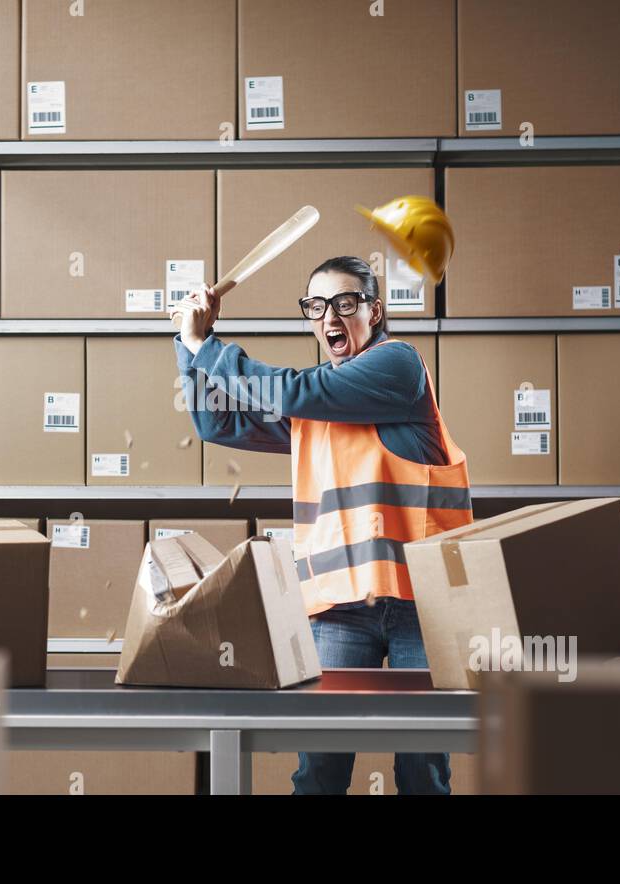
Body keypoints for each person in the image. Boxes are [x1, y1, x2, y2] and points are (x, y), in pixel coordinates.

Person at [171, 255, 473, 795]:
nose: (330, 316)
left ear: (375, 310)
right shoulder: (313, 407)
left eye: (345, 303)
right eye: (317, 306)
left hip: (419, 607)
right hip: (337, 610)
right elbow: (215, 419)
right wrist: (193, 340)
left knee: (421, 771)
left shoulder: (398, 365)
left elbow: (293, 391)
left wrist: (205, 347)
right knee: (320, 773)